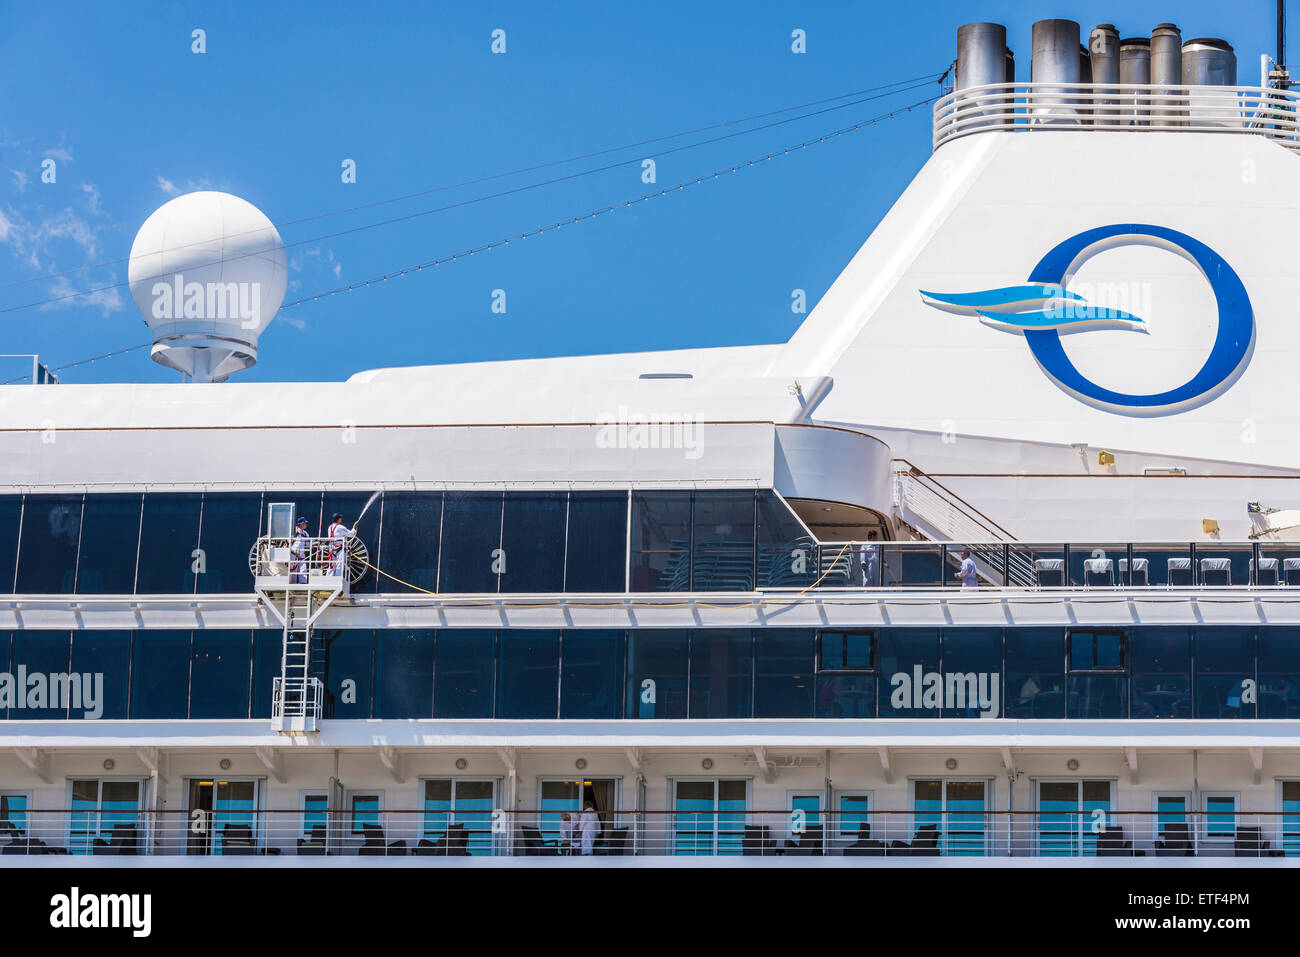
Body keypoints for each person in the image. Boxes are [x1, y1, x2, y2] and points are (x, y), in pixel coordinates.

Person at [327, 513, 356, 577]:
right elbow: (351, 534)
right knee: (339, 565)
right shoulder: (341, 527)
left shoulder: (330, 527)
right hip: (339, 549)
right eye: (340, 518)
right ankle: (338, 579)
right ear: (339, 519)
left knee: (331, 565)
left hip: (331, 548)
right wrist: (354, 528)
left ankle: (329, 579)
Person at [289, 516, 310, 583]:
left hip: (301, 554)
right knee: (293, 572)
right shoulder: (294, 531)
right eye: (305, 523)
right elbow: (288, 541)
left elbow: (308, 544)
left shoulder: (305, 533)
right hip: (293, 554)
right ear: (301, 524)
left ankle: (303, 584)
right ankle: (293, 585)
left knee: (303, 569)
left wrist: (314, 544)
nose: (306, 524)